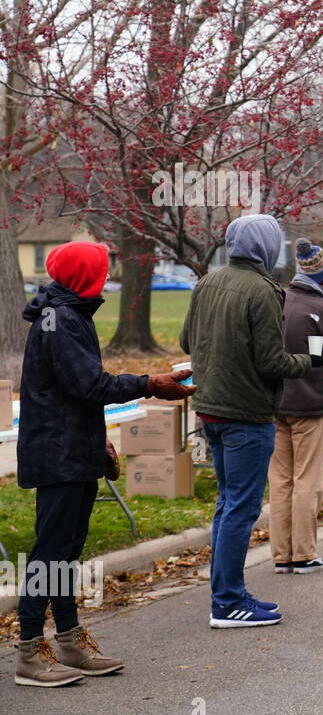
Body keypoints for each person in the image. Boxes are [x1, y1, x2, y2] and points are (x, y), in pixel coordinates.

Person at [15, 242, 194, 686]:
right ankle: (29, 653)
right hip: (57, 455)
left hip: (74, 451)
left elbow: (74, 395)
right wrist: (150, 383)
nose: (108, 271)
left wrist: (98, 446)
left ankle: (70, 641)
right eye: (102, 267)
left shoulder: (70, 313)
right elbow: (88, 385)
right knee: (48, 555)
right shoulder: (60, 320)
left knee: (67, 551)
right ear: (86, 274)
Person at [182, 214, 323, 628]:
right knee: (240, 509)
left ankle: (227, 594)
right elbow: (270, 360)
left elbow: (187, 341)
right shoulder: (263, 290)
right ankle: (226, 602)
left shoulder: (207, 281)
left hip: (210, 408)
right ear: (265, 247)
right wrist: (308, 361)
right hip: (247, 413)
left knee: (227, 504)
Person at [269, 239, 323, 575]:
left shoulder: (276, 300)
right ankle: (303, 553)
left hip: (275, 403)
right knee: (307, 481)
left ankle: (280, 553)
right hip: (310, 405)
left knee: (280, 481)